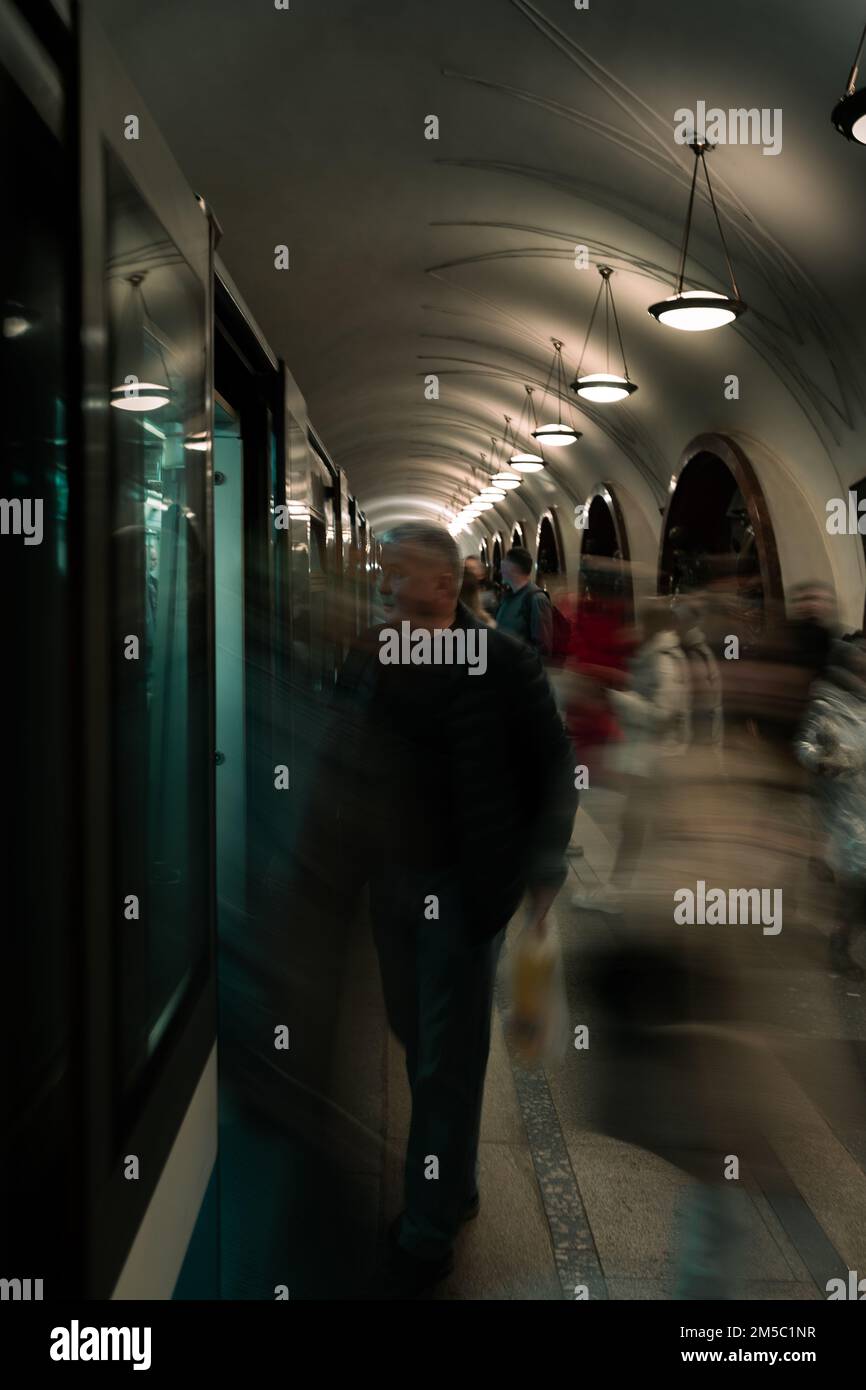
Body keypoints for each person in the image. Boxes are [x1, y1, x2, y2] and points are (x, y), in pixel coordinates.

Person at [295, 522, 577, 1298]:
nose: (384, 583)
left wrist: (545, 867)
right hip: (391, 883)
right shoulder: (372, 654)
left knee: (444, 1055)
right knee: (414, 1032)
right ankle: (452, 1178)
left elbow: (555, 759)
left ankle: (427, 1234)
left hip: (461, 886)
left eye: (399, 573)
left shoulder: (501, 662)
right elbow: (342, 758)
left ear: (446, 586)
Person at [796, 637, 866, 980]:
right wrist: (822, 762)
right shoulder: (827, 705)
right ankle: (839, 945)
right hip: (845, 805)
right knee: (856, 881)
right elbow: (805, 745)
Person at [495, 546, 553, 658]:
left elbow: (543, 648)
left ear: (513, 568)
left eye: (504, 565)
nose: (500, 570)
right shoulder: (508, 597)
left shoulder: (537, 599)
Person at [458, 555, 496, 627]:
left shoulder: (491, 592)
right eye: (467, 569)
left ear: (481, 571)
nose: (469, 572)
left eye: (472, 569)